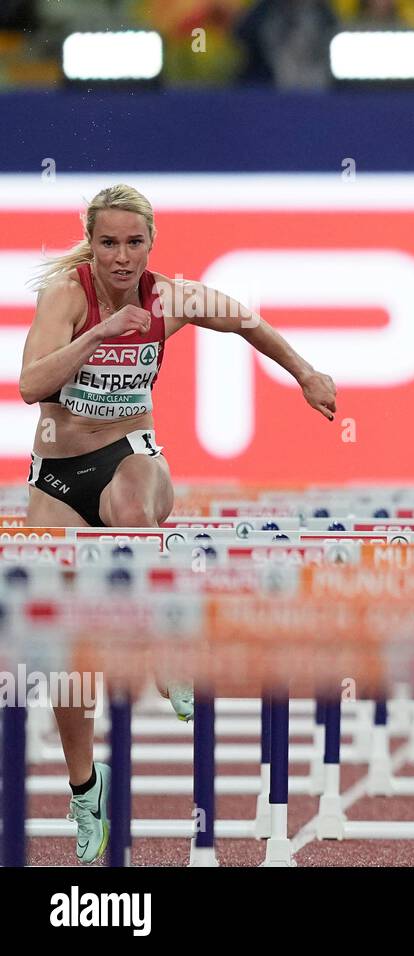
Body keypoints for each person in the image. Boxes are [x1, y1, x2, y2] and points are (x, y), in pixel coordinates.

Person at [19, 183, 337, 862]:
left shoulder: (174, 299)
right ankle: (85, 788)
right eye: (109, 243)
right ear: (92, 243)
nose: (122, 257)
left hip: (132, 456)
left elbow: (247, 321)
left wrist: (305, 372)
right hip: (55, 477)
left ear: (151, 245)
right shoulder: (67, 299)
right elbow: (29, 384)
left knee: (134, 507)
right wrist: (102, 333)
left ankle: (163, 640)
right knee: (67, 655)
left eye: (135, 243)